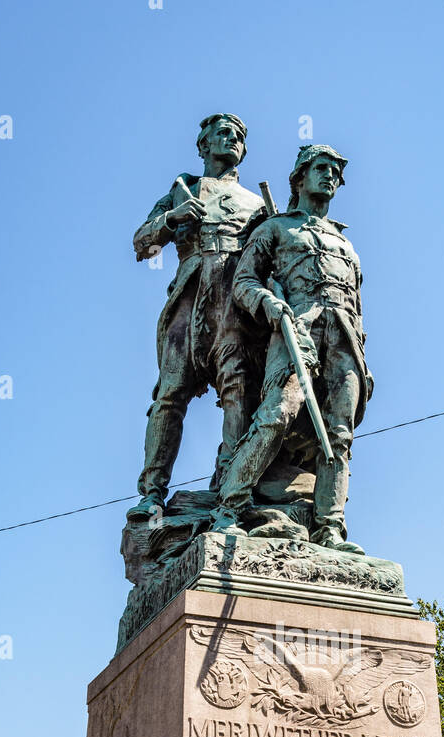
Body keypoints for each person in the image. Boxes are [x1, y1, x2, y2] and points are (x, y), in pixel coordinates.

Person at [213, 144, 373, 553]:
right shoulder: (276, 229)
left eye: (336, 171)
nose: (330, 176)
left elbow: (357, 305)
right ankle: (229, 507)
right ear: (299, 177)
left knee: (339, 435)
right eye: (322, 167)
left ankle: (330, 527)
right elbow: (243, 282)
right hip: (295, 328)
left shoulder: (346, 242)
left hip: (345, 339)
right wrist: (268, 303)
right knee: (277, 414)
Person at [129, 113, 265, 519]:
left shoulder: (257, 203)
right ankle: (152, 493)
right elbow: (142, 245)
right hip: (190, 294)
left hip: (235, 298)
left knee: (239, 391)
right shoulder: (182, 189)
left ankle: (230, 491)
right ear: (203, 145)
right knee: (170, 394)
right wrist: (172, 219)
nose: (232, 139)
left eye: (239, 136)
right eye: (223, 133)